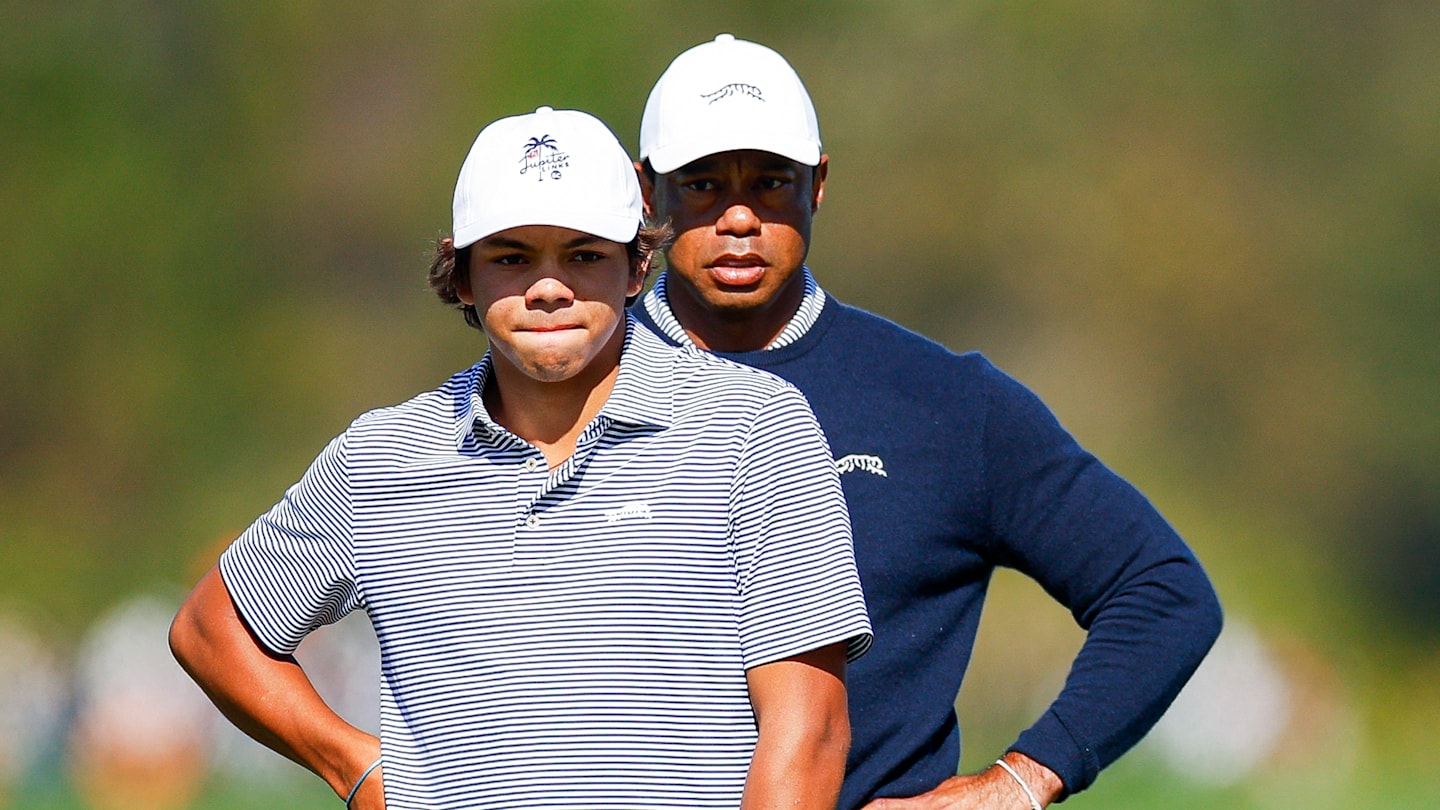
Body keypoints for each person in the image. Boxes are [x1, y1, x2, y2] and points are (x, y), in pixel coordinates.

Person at [169, 105, 872, 810]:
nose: (548, 286)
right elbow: (211, 631)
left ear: (636, 265)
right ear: (464, 276)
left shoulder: (751, 426)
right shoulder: (384, 456)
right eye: (511, 257)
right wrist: (358, 769)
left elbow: (807, 728)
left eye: (584, 254)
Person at [631, 34, 1224, 809]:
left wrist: (1013, 784)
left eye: (772, 183)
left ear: (820, 184)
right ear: (647, 194)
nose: (740, 217)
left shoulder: (943, 403)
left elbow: (1164, 593)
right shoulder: (569, 393)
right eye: (702, 185)